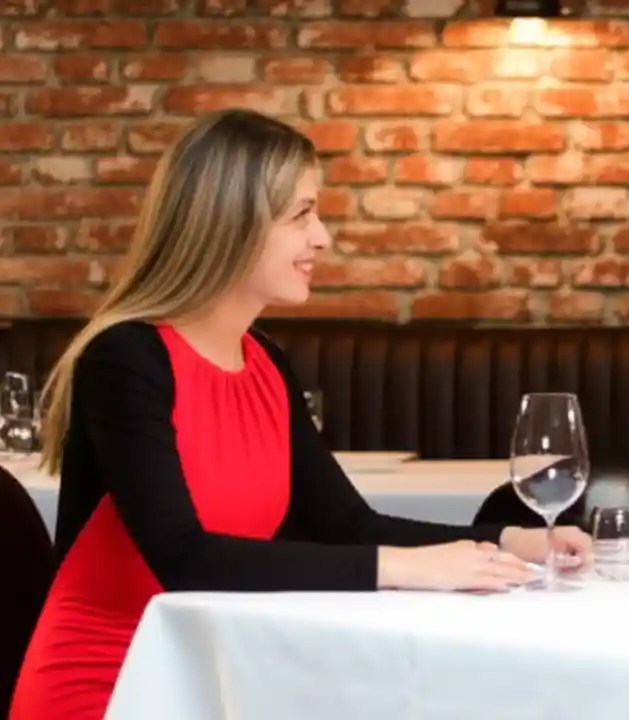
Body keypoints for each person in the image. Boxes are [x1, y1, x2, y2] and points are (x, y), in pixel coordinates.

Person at [9, 108, 592, 720]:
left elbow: (345, 523)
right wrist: (408, 568)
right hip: (113, 684)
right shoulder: (126, 357)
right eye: (301, 215)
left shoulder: (263, 360)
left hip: (216, 674)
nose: (323, 238)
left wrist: (507, 540)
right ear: (228, 226)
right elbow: (183, 557)